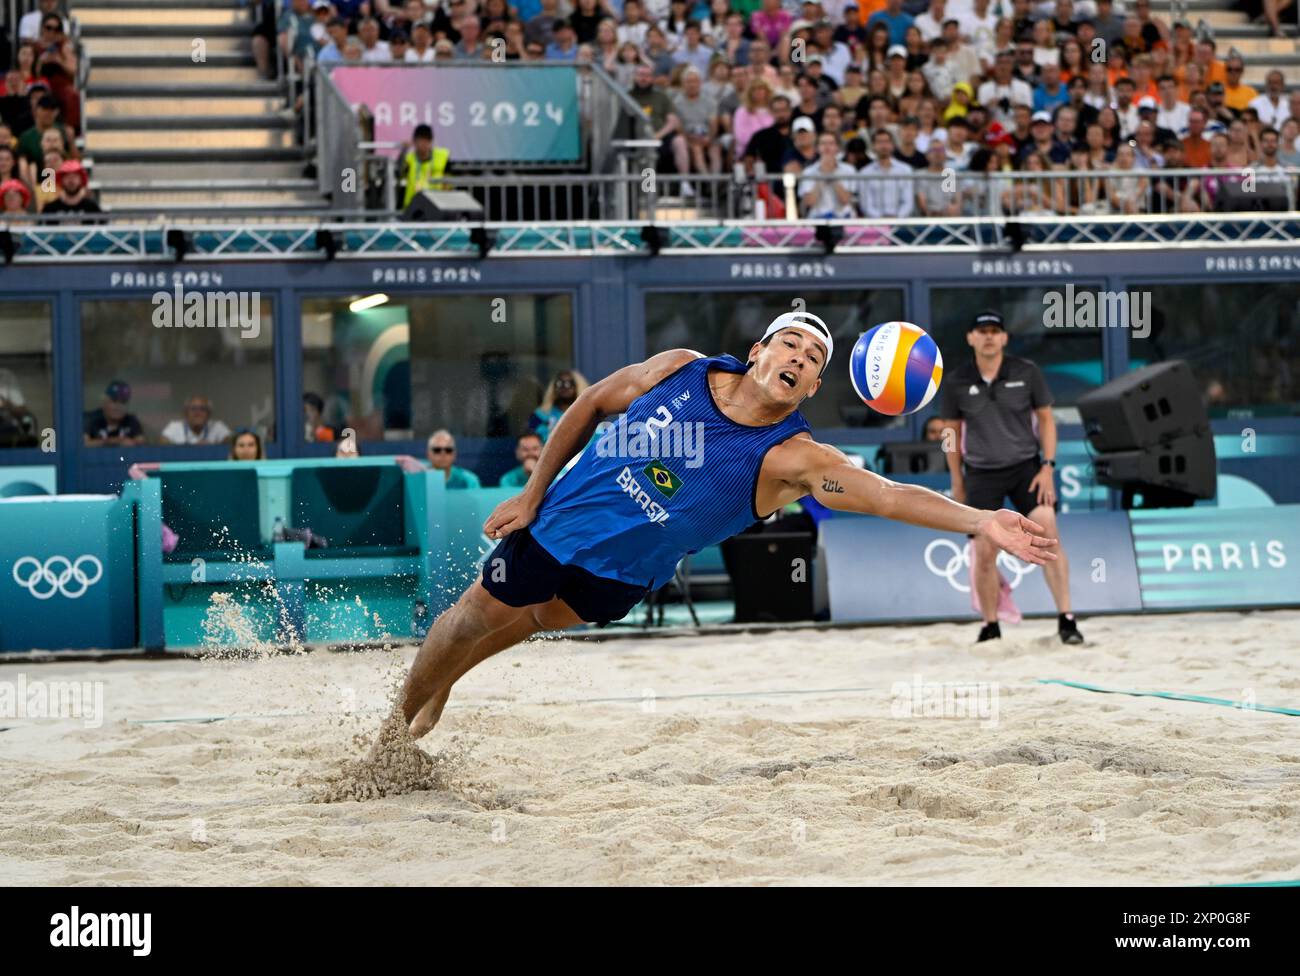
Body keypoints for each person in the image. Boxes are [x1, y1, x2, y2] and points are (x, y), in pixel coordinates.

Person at [391, 312, 1057, 741]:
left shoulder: (795, 459)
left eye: (813, 359)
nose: (798, 357)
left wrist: (980, 520)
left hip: (626, 573)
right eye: (790, 342)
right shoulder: (682, 369)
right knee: (473, 617)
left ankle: (446, 679)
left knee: (531, 623)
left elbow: (885, 496)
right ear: (759, 351)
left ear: (810, 387)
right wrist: (534, 493)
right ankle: (392, 734)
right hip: (556, 525)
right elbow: (592, 402)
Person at [938, 310, 1083, 645]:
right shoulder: (957, 381)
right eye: (982, 331)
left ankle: (1067, 619)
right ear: (970, 338)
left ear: (1004, 338)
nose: (989, 336)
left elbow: (1046, 421)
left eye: (995, 331)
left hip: (1026, 468)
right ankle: (991, 625)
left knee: (1048, 529)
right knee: (984, 550)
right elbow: (950, 432)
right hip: (981, 473)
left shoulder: (1027, 372)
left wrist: (1048, 467)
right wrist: (957, 479)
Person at [400, 123, 450, 207]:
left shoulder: (442, 157)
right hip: (413, 207)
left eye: (427, 141)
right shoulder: (409, 159)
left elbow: (448, 183)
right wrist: (403, 151)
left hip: (437, 205)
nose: (424, 144)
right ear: (414, 142)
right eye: (421, 140)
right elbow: (399, 173)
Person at [84, 379, 145, 447]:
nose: (118, 407)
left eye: (123, 402)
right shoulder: (89, 418)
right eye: (114, 401)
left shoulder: (131, 420)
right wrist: (113, 441)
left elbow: (141, 444)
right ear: (104, 402)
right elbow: (82, 445)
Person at [530, 369, 588, 441]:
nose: (564, 387)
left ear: (578, 386)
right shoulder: (541, 414)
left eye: (569, 383)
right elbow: (531, 440)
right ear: (553, 387)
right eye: (559, 383)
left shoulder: (587, 414)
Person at [160, 396, 232, 445]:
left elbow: (231, 441)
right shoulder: (174, 426)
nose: (197, 413)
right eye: (193, 409)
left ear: (209, 414)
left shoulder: (217, 426)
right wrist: (187, 447)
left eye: (202, 409)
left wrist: (213, 446)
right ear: (185, 413)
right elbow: (162, 443)